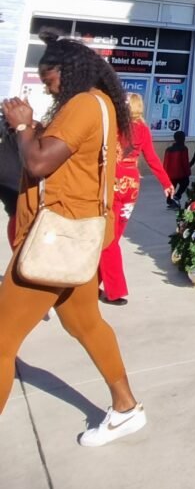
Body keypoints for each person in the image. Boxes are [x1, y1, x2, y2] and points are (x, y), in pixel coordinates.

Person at [0, 35, 147, 445]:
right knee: (85, 323)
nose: (46, 86)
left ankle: (126, 408)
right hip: (77, 237)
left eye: (48, 79)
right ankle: (125, 408)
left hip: (56, 239)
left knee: (1, 339)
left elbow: (39, 161)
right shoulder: (99, 104)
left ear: (68, 71)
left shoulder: (83, 104)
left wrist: (24, 125)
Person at [99, 92, 173, 305]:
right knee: (115, 235)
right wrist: (166, 183)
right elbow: (151, 159)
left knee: (107, 239)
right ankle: (94, 281)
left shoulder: (114, 127)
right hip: (131, 185)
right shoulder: (143, 130)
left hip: (112, 183)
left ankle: (114, 290)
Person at [163, 130, 191, 208]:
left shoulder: (169, 149)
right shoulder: (184, 149)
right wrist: (188, 172)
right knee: (185, 182)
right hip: (180, 173)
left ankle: (170, 201)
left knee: (172, 186)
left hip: (170, 173)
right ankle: (177, 196)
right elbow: (185, 162)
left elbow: (166, 162)